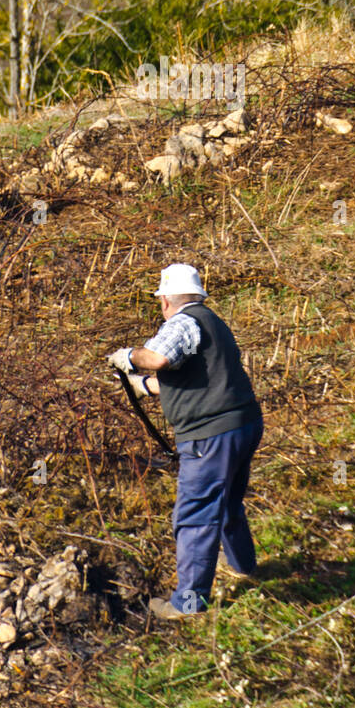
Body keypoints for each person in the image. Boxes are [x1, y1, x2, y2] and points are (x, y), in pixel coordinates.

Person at [108, 262, 264, 620]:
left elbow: (159, 357)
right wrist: (144, 387)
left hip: (209, 436)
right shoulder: (213, 323)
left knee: (194, 516)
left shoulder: (181, 322)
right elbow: (199, 376)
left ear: (165, 300)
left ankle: (189, 605)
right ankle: (243, 567)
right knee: (226, 502)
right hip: (243, 425)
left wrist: (128, 357)